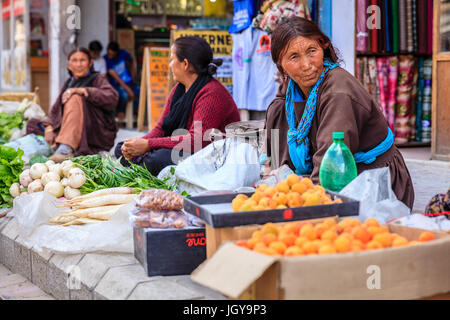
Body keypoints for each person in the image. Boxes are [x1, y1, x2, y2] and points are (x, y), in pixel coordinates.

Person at [265, 17, 415, 210]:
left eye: (312, 51)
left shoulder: (338, 92)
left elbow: (332, 164)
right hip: (335, 176)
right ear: (281, 64)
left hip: (374, 182)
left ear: (323, 47)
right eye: (294, 57)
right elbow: (279, 125)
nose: (306, 65)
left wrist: (308, 204)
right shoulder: (293, 87)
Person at [114, 36, 241, 176]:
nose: (169, 64)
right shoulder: (179, 89)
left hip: (212, 157)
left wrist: (148, 145)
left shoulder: (212, 93)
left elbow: (196, 141)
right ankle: (140, 163)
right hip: (185, 149)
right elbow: (160, 129)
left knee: (159, 158)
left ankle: (140, 165)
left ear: (185, 64)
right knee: (121, 148)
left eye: (172, 59)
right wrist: (137, 144)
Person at [26, 47, 119, 162]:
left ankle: (65, 149)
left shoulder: (97, 79)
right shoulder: (68, 83)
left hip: (93, 131)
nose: (79, 64)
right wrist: (49, 127)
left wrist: (84, 91)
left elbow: (112, 97)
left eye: (82, 60)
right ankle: (57, 147)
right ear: (69, 65)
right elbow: (55, 110)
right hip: (69, 129)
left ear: (90, 63)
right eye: (74, 61)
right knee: (33, 123)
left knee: (75, 98)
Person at [104, 41, 139, 120]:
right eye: (109, 54)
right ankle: (120, 112)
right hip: (116, 84)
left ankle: (134, 112)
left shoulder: (123, 54)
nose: (110, 56)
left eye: (112, 55)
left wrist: (133, 76)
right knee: (123, 94)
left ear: (117, 52)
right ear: (106, 50)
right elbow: (117, 78)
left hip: (129, 82)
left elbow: (132, 61)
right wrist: (128, 90)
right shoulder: (105, 60)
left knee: (139, 91)